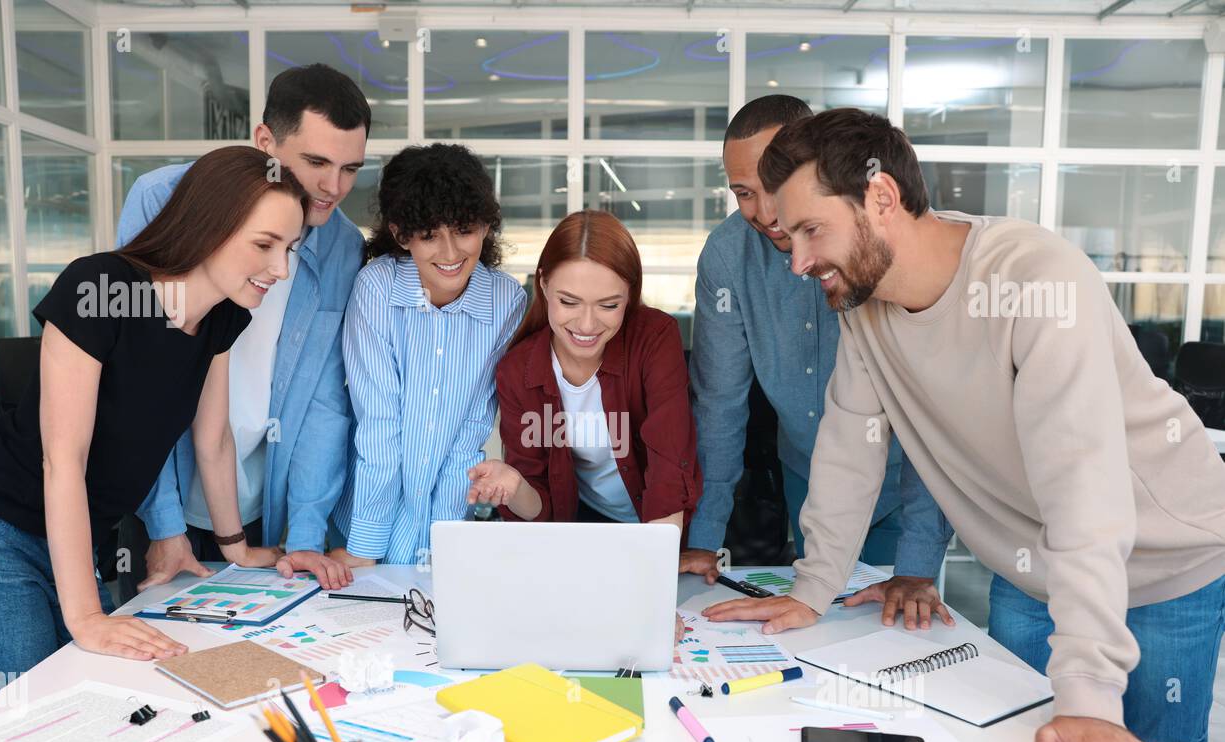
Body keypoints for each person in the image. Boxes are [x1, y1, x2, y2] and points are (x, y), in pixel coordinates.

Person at [707, 107, 1225, 742]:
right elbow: (848, 448)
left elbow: (1084, 492)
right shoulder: (863, 310)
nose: (796, 261)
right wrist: (811, 588)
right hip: (1032, 561)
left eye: (811, 231)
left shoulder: (1037, 281)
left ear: (881, 199)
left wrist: (1092, 694)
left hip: (1168, 557)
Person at [0, 147, 308, 703]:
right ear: (210, 225)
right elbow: (63, 459)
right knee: (26, 728)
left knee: (93, 709)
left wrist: (236, 546)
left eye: (291, 248)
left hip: (76, 544)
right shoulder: (99, 287)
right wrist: (86, 616)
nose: (281, 268)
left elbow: (213, 437)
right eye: (265, 245)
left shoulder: (223, 316)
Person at [680, 95, 952, 630]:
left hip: (910, 482)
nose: (763, 213)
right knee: (819, 635)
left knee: (896, 640)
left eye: (773, 186)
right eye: (743, 194)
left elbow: (933, 413)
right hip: (811, 480)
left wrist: (919, 562)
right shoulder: (726, 256)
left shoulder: (878, 242)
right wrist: (704, 536)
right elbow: (720, 403)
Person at [116, 63, 370, 595]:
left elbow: (325, 403)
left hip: (261, 505)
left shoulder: (344, 244)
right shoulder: (162, 198)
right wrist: (164, 524)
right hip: (160, 495)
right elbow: (137, 381)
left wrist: (303, 535)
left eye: (351, 169)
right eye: (316, 162)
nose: (332, 187)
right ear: (265, 142)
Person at [331, 144, 526, 567]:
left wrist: (440, 542)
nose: (451, 252)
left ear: (486, 226)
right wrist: (366, 546)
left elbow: (471, 430)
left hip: (448, 516)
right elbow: (379, 425)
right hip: (364, 517)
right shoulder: (376, 288)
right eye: (429, 235)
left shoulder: (507, 300)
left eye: (463, 230)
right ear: (401, 234)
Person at [466, 209, 701, 532]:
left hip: (665, 526)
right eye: (569, 302)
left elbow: (669, 466)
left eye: (608, 305)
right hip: (589, 525)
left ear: (630, 293)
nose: (587, 325)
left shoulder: (655, 338)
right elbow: (541, 510)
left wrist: (658, 559)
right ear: (544, 284)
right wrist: (516, 486)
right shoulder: (517, 370)